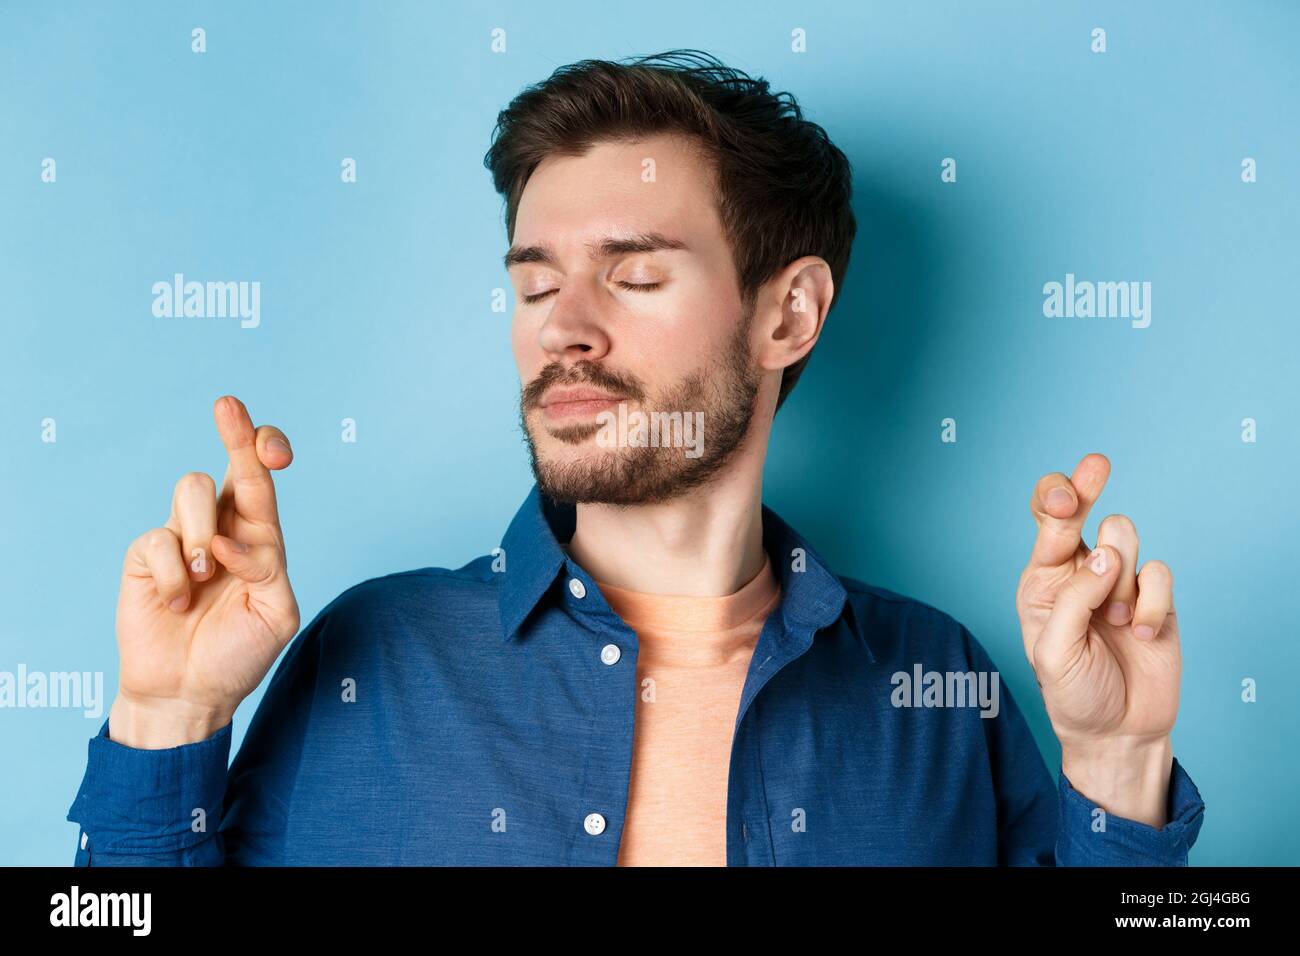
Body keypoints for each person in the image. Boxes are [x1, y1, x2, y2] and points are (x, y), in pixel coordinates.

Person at [67, 51, 1203, 866]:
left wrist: (1116, 758)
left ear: (788, 315)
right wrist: (164, 715)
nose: (564, 325)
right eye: (533, 282)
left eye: (635, 274)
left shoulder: (936, 686)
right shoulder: (370, 659)